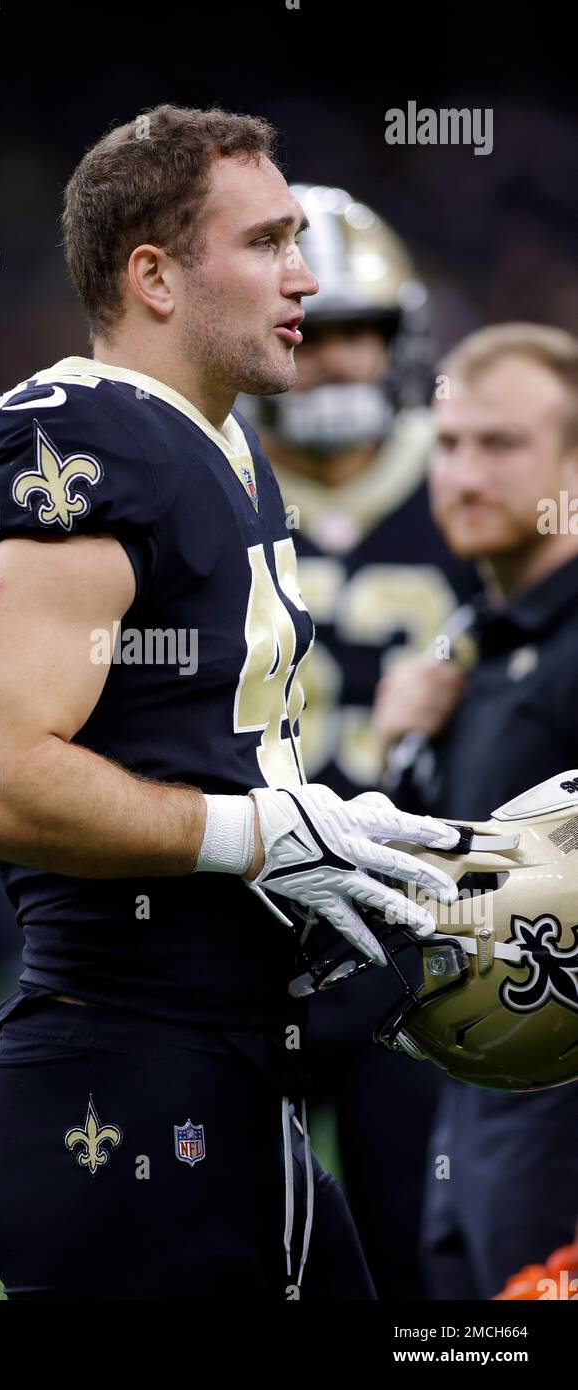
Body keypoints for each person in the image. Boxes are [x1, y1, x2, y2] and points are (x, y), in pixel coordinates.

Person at [0, 104, 461, 1301]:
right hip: (124, 1090)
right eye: (267, 243)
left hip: (214, 1071)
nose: (306, 277)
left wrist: (320, 825)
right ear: (154, 276)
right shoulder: (94, 446)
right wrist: (251, 835)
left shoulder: (216, 446)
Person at [239, 185, 476, 1298]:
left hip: (422, 939)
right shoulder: (202, 471)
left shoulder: (471, 472)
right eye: (313, 331)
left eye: (360, 334)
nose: (334, 362)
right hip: (242, 927)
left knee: (422, 1258)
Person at [374, 321, 578, 1300]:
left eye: (503, 445)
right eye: (449, 444)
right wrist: (404, 752)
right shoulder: (474, 642)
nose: (465, 471)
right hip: (474, 1098)